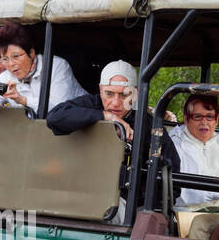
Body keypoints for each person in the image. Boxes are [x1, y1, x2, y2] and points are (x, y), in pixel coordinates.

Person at [46, 60, 179, 214]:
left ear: (135, 94)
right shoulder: (91, 104)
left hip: (121, 205)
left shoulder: (149, 126)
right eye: (109, 93)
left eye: (124, 95)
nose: (115, 103)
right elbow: (54, 118)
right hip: (77, 192)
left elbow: (172, 182)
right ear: (100, 90)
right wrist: (106, 117)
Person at [0, 22, 85, 117]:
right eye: (5, 59)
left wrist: (23, 100)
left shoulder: (56, 66)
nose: (11, 64)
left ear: (31, 53)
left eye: (16, 56)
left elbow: (60, 111)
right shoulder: (5, 78)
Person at [168, 92, 219, 205]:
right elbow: (182, 193)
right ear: (186, 119)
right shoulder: (174, 146)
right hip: (187, 213)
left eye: (209, 117)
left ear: (216, 120)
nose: (204, 122)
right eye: (197, 117)